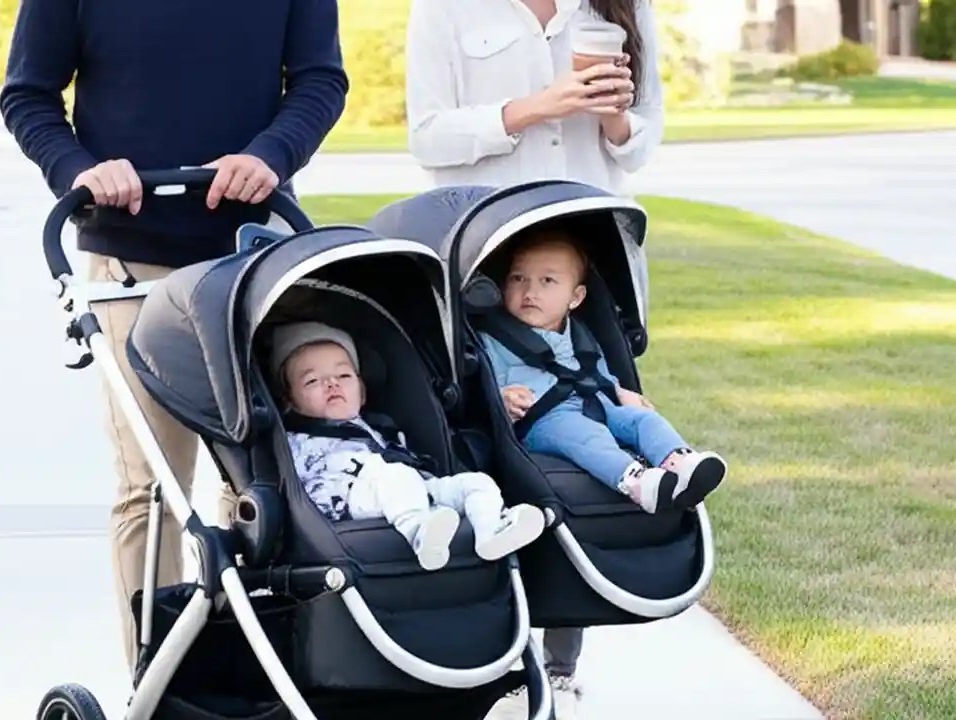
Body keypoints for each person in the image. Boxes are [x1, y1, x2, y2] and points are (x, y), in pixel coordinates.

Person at [0, 0, 348, 672]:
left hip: (252, 254)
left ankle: (268, 672)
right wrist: (79, 168)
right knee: (153, 487)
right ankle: (159, 679)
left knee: (263, 481)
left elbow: (319, 80)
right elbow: (29, 94)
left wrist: (269, 155)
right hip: (131, 260)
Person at [404, 0, 665, 707]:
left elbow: (643, 144)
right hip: (481, 272)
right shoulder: (445, 10)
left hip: (582, 270)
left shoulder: (622, 8)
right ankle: (495, 661)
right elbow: (426, 136)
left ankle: (560, 669)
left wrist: (612, 118)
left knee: (583, 449)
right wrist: (531, 107)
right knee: (491, 460)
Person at [480, 228, 728, 513]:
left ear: (575, 298)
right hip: (543, 420)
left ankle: (680, 463)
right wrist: (502, 398)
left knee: (643, 421)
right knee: (587, 435)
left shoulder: (581, 336)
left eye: (547, 281)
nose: (530, 291)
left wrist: (621, 392)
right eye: (518, 278)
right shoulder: (492, 339)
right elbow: (481, 388)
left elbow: (597, 374)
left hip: (597, 403)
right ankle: (635, 482)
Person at [272, 321, 545, 570]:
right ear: (290, 402)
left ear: (363, 391)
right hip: (348, 497)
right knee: (395, 476)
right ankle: (419, 531)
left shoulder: (380, 428)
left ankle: (490, 532)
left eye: (343, 376)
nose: (331, 384)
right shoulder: (293, 439)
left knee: (476, 482)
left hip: (407, 485)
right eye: (312, 381)